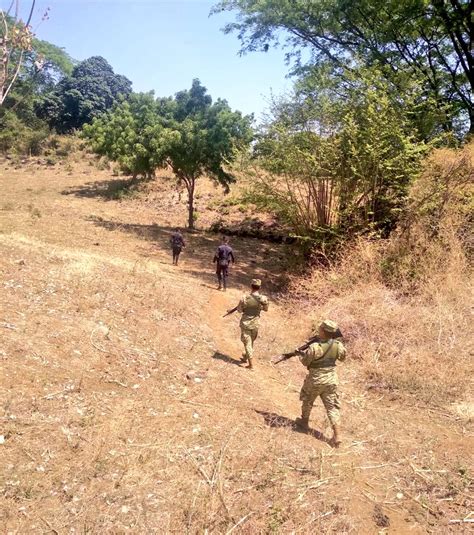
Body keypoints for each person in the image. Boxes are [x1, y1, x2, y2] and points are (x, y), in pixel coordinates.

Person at [295, 319, 346, 447]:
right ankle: (337, 435)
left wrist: (300, 354)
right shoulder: (338, 345)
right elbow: (342, 358)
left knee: (308, 400)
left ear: (323, 331)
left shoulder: (314, 347)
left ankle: (304, 422)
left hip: (316, 379)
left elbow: (305, 362)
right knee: (331, 407)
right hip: (331, 379)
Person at [237, 278, 269, 370]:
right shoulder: (263, 298)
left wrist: (245, 308)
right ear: (259, 287)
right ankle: (245, 356)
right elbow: (266, 309)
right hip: (256, 323)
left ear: (251, 286)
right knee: (250, 342)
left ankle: (251, 365)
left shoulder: (244, 298)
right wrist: (259, 308)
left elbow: (239, 310)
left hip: (246, 323)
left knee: (247, 343)